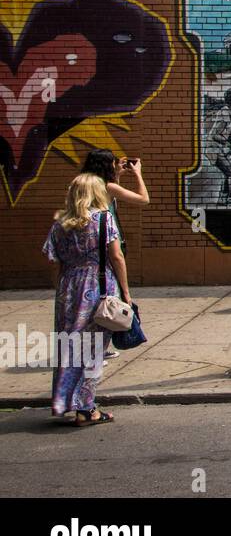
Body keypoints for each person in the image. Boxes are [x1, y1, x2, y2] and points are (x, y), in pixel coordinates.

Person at [43, 174, 132, 426]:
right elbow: (117, 257)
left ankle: (63, 402)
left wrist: (61, 289)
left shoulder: (60, 224)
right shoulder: (104, 220)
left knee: (68, 347)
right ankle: (86, 409)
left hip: (68, 288)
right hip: (98, 285)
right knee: (92, 350)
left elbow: (54, 262)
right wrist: (125, 292)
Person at [80, 149, 148, 357]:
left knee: (94, 298)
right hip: (107, 241)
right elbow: (143, 199)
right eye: (114, 163)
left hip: (88, 246)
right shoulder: (107, 186)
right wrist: (137, 173)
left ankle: (96, 346)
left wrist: (118, 173)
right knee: (111, 296)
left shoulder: (84, 184)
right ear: (106, 166)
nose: (118, 165)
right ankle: (97, 349)